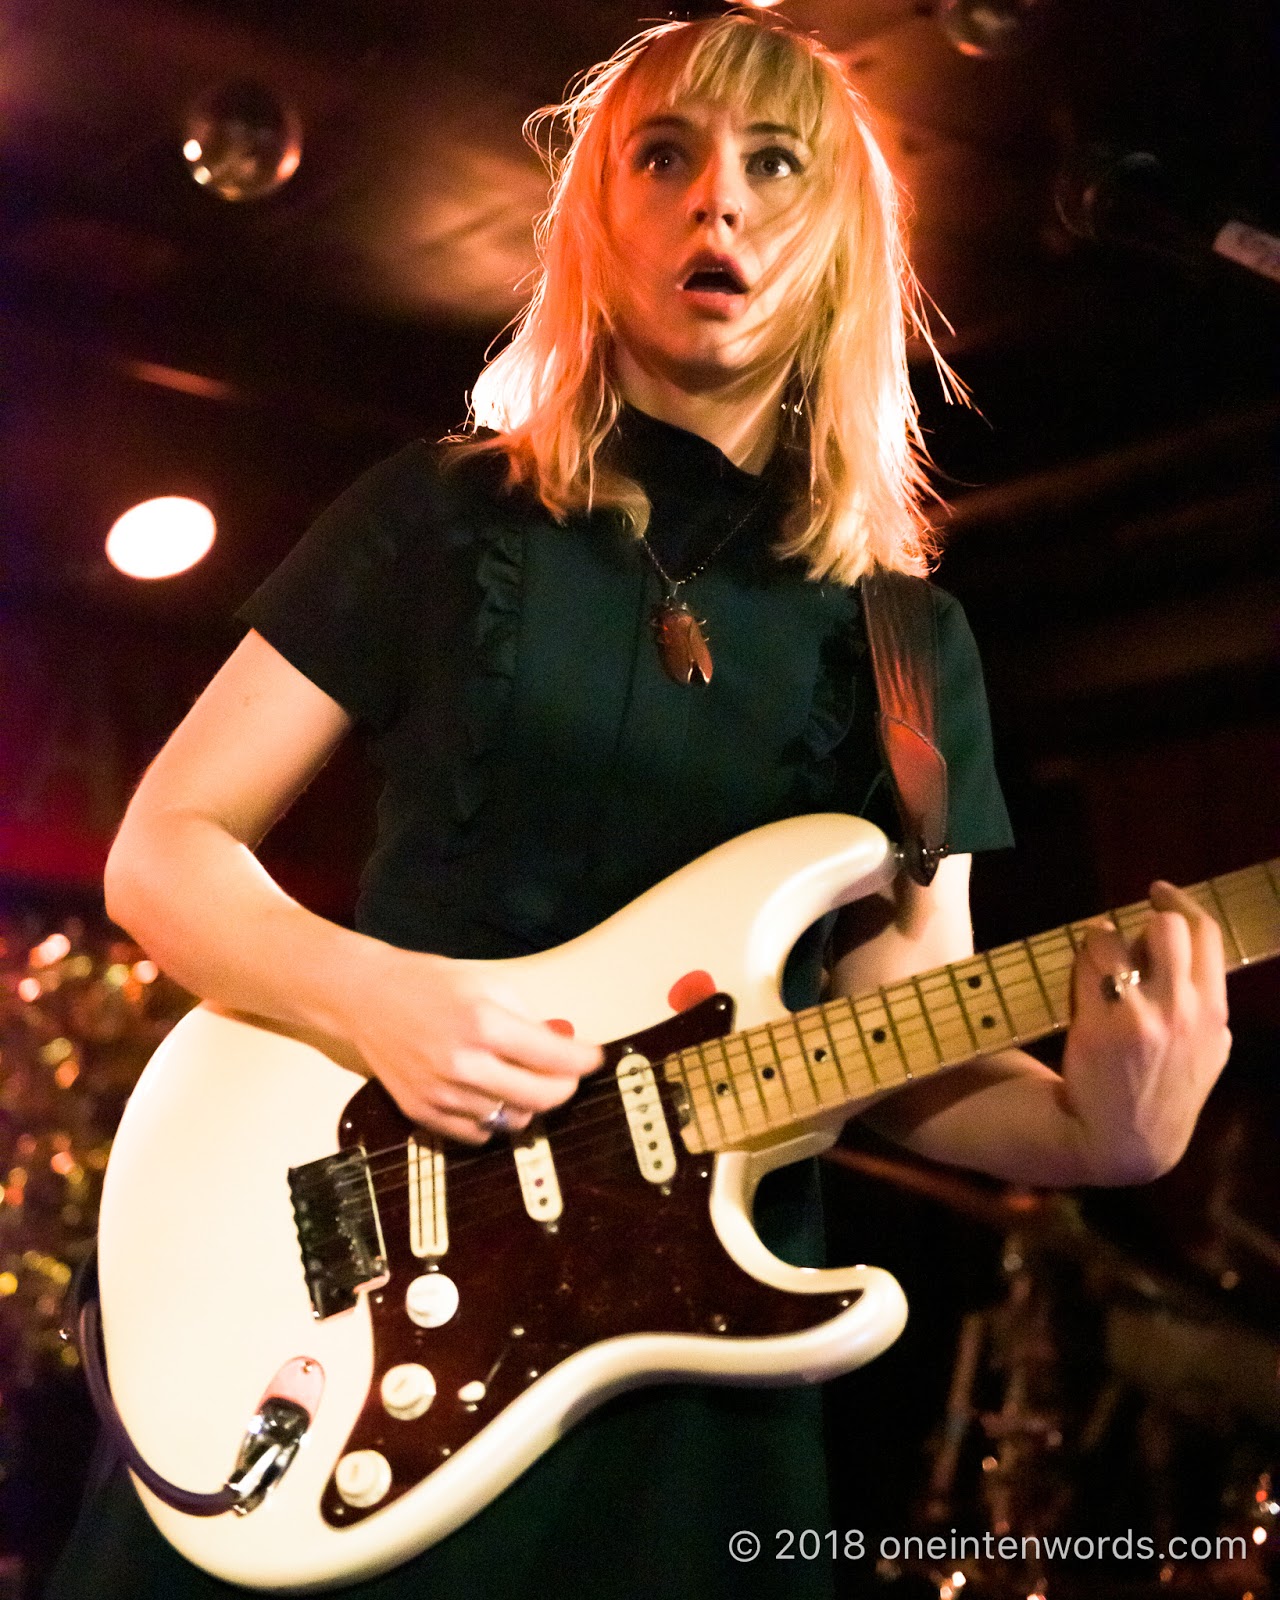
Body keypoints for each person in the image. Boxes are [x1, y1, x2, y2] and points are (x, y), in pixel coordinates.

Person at [47, 13, 1231, 1600]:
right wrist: (381, 998)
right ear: (595, 222)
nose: (716, 204)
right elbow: (163, 850)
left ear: (840, 242)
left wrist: (1104, 1132)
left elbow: (901, 1030)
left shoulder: (905, 641)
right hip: (368, 1276)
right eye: (662, 159)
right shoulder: (441, 516)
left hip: (681, 1397)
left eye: (773, 165)